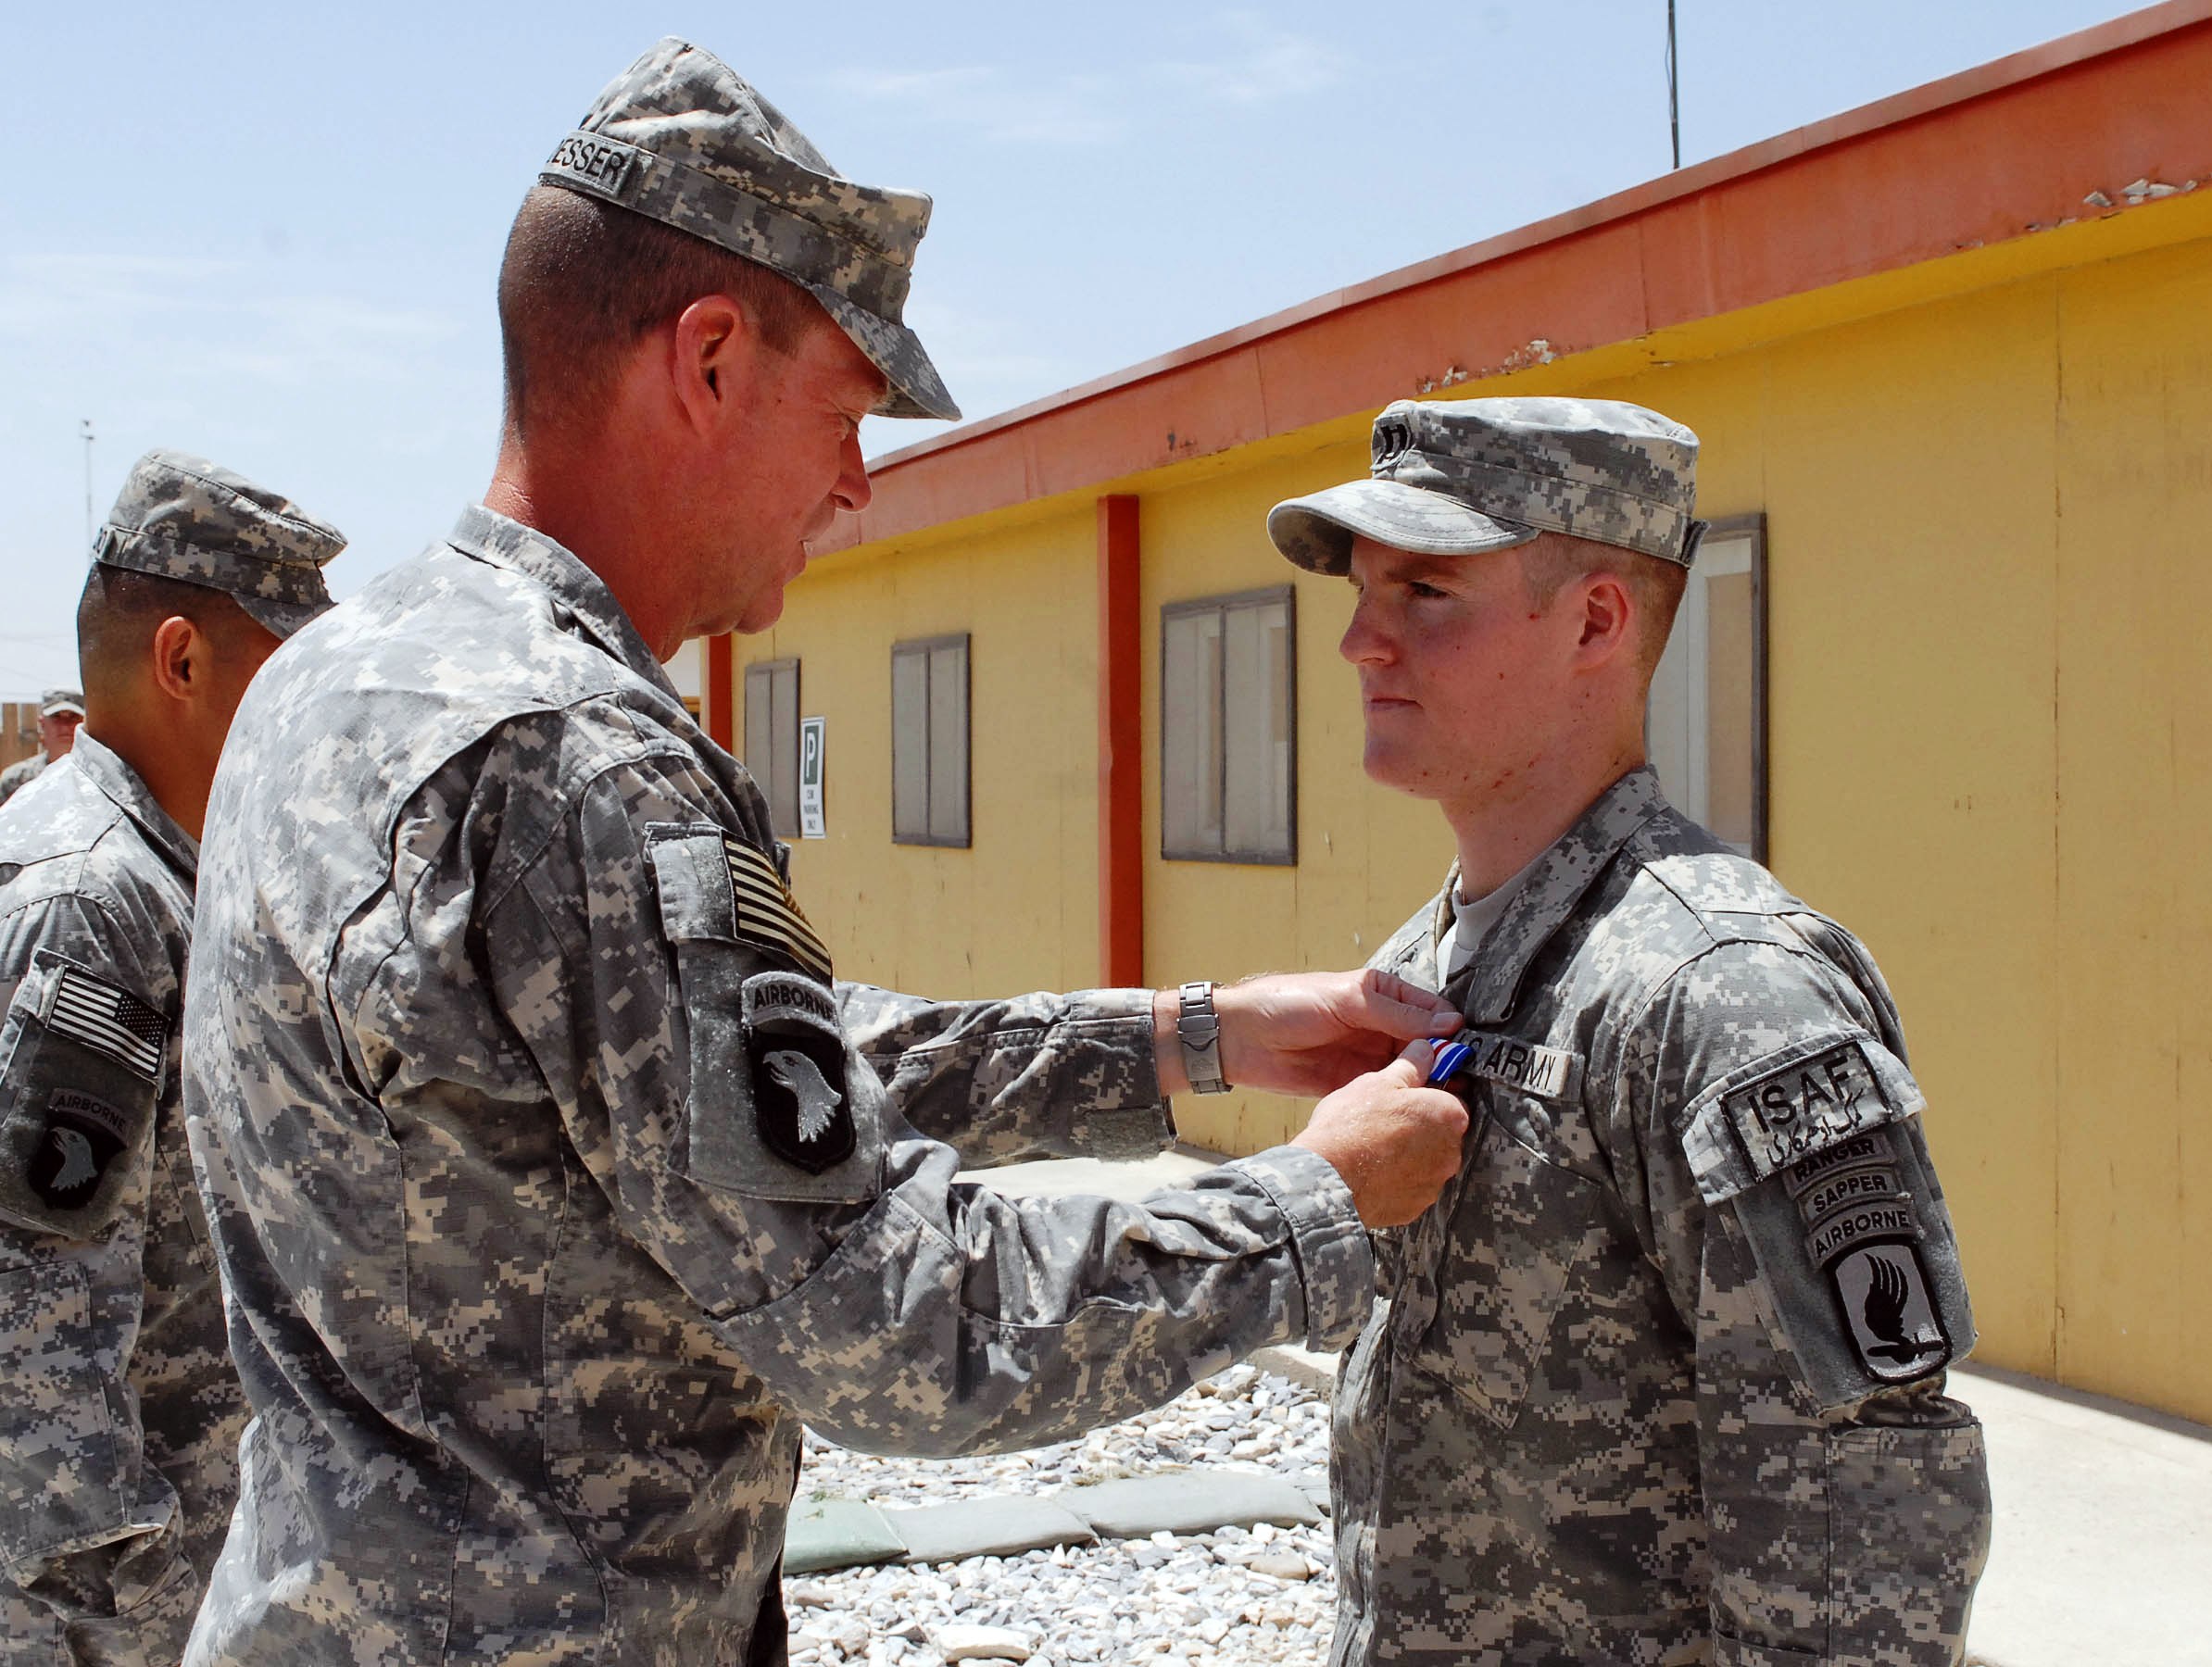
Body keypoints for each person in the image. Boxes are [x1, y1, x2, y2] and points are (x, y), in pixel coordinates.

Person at [180, 38, 1469, 1666]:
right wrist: (1311, 1210)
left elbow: (716, 1077)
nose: (858, 483)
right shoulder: (574, 759)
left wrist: (1185, 1038)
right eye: (844, 414)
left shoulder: (340, 679)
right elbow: (900, 1328)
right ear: (708, 361)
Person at [1266, 396, 1992, 1666]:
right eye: (1365, 592)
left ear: (1597, 621)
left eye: (1426, 593)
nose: (1360, 644)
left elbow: (1860, 1530)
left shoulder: (1728, 996)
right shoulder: (1420, 967)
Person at [0, 451, 344, 1664]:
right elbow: (30, 1374)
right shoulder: (91, 906)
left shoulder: (170, 880)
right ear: (182, 661)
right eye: (288, 680)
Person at [0, 690, 85, 807]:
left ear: (84, 722)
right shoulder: (15, 780)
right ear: (43, 724)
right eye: (56, 716)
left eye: (73, 717)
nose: (65, 725)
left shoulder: (98, 780)